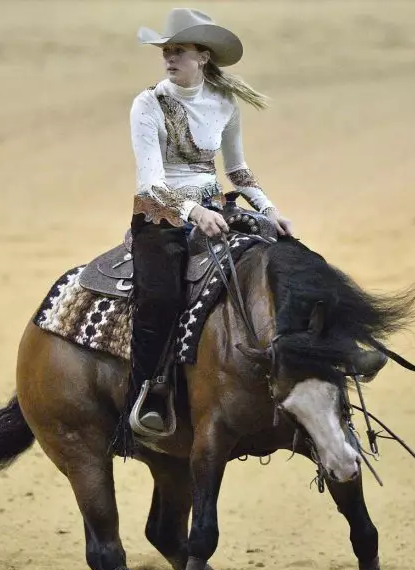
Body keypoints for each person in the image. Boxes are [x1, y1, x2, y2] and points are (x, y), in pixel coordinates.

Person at [127, 8, 292, 435]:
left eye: (178, 51)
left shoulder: (223, 103)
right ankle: (147, 393)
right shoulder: (148, 104)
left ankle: (310, 362)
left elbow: (237, 170)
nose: (169, 59)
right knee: (160, 298)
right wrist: (195, 211)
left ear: (202, 56)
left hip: (215, 210)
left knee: (287, 260)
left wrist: (269, 209)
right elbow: (151, 183)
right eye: (166, 51)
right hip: (160, 217)